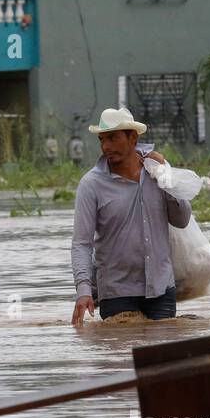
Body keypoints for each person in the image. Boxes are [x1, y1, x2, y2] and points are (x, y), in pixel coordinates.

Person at [71, 107, 192, 323]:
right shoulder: (91, 185)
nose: (106, 146)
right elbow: (82, 243)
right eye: (102, 140)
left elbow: (182, 220)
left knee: (162, 354)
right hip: (117, 292)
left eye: (113, 138)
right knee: (120, 355)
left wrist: (166, 176)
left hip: (161, 289)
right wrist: (83, 290)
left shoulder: (157, 172)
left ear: (133, 138)